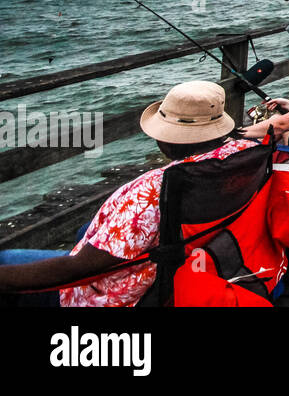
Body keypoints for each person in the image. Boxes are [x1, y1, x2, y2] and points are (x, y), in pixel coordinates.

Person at [0, 81, 263, 307]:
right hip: (185, 255)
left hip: (125, 290)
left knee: (7, 260)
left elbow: (81, 268)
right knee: (84, 230)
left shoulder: (153, 190)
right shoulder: (243, 152)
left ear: (166, 140)